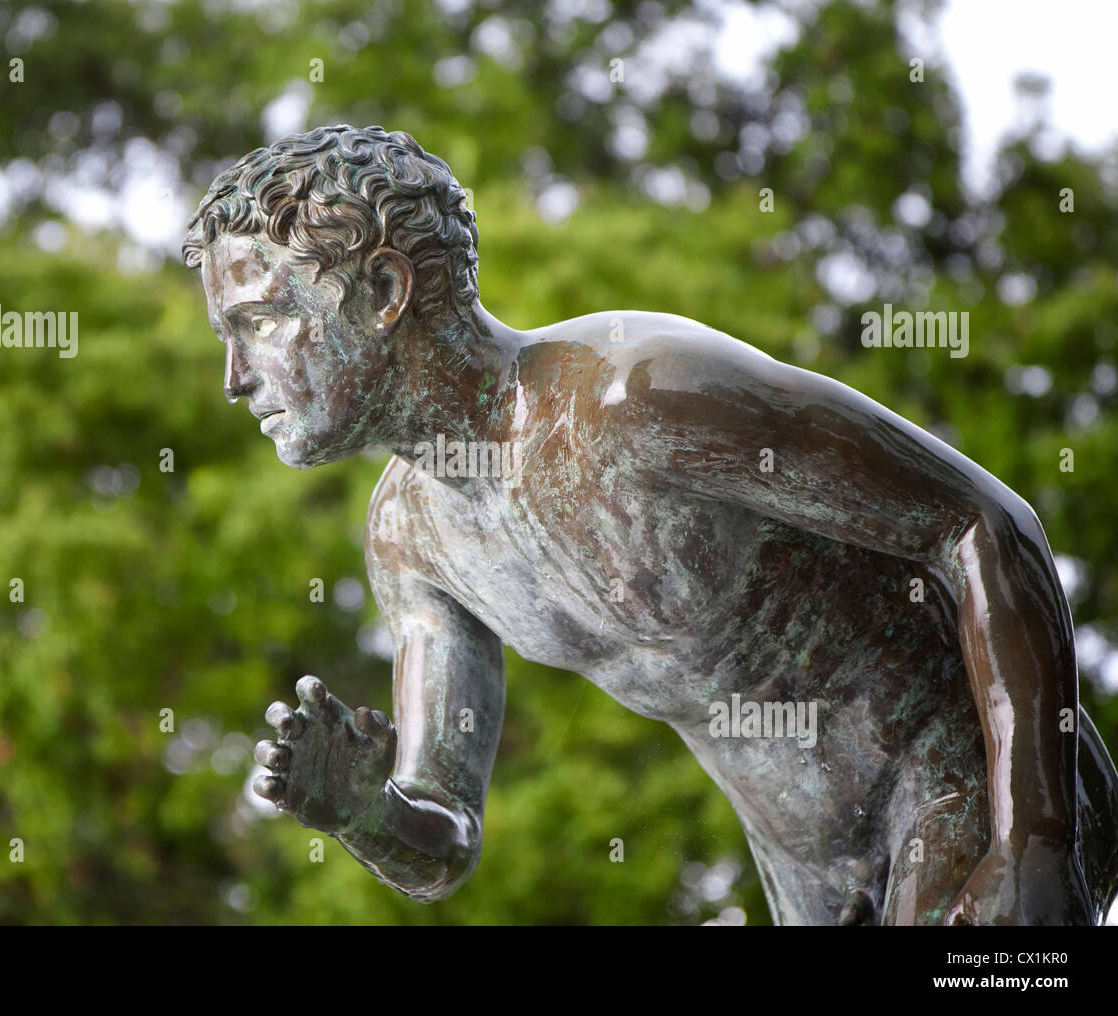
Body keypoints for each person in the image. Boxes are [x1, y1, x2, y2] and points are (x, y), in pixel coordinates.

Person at [184, 124, 1118, 925]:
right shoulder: (410, 539)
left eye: (260, 323)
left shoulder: (632, 397)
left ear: (384, 290)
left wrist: (1035, 835)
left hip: (971, 775)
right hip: (804, 864)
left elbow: (984, 525)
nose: (232, 379)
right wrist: (360, 812)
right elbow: (443, 836)